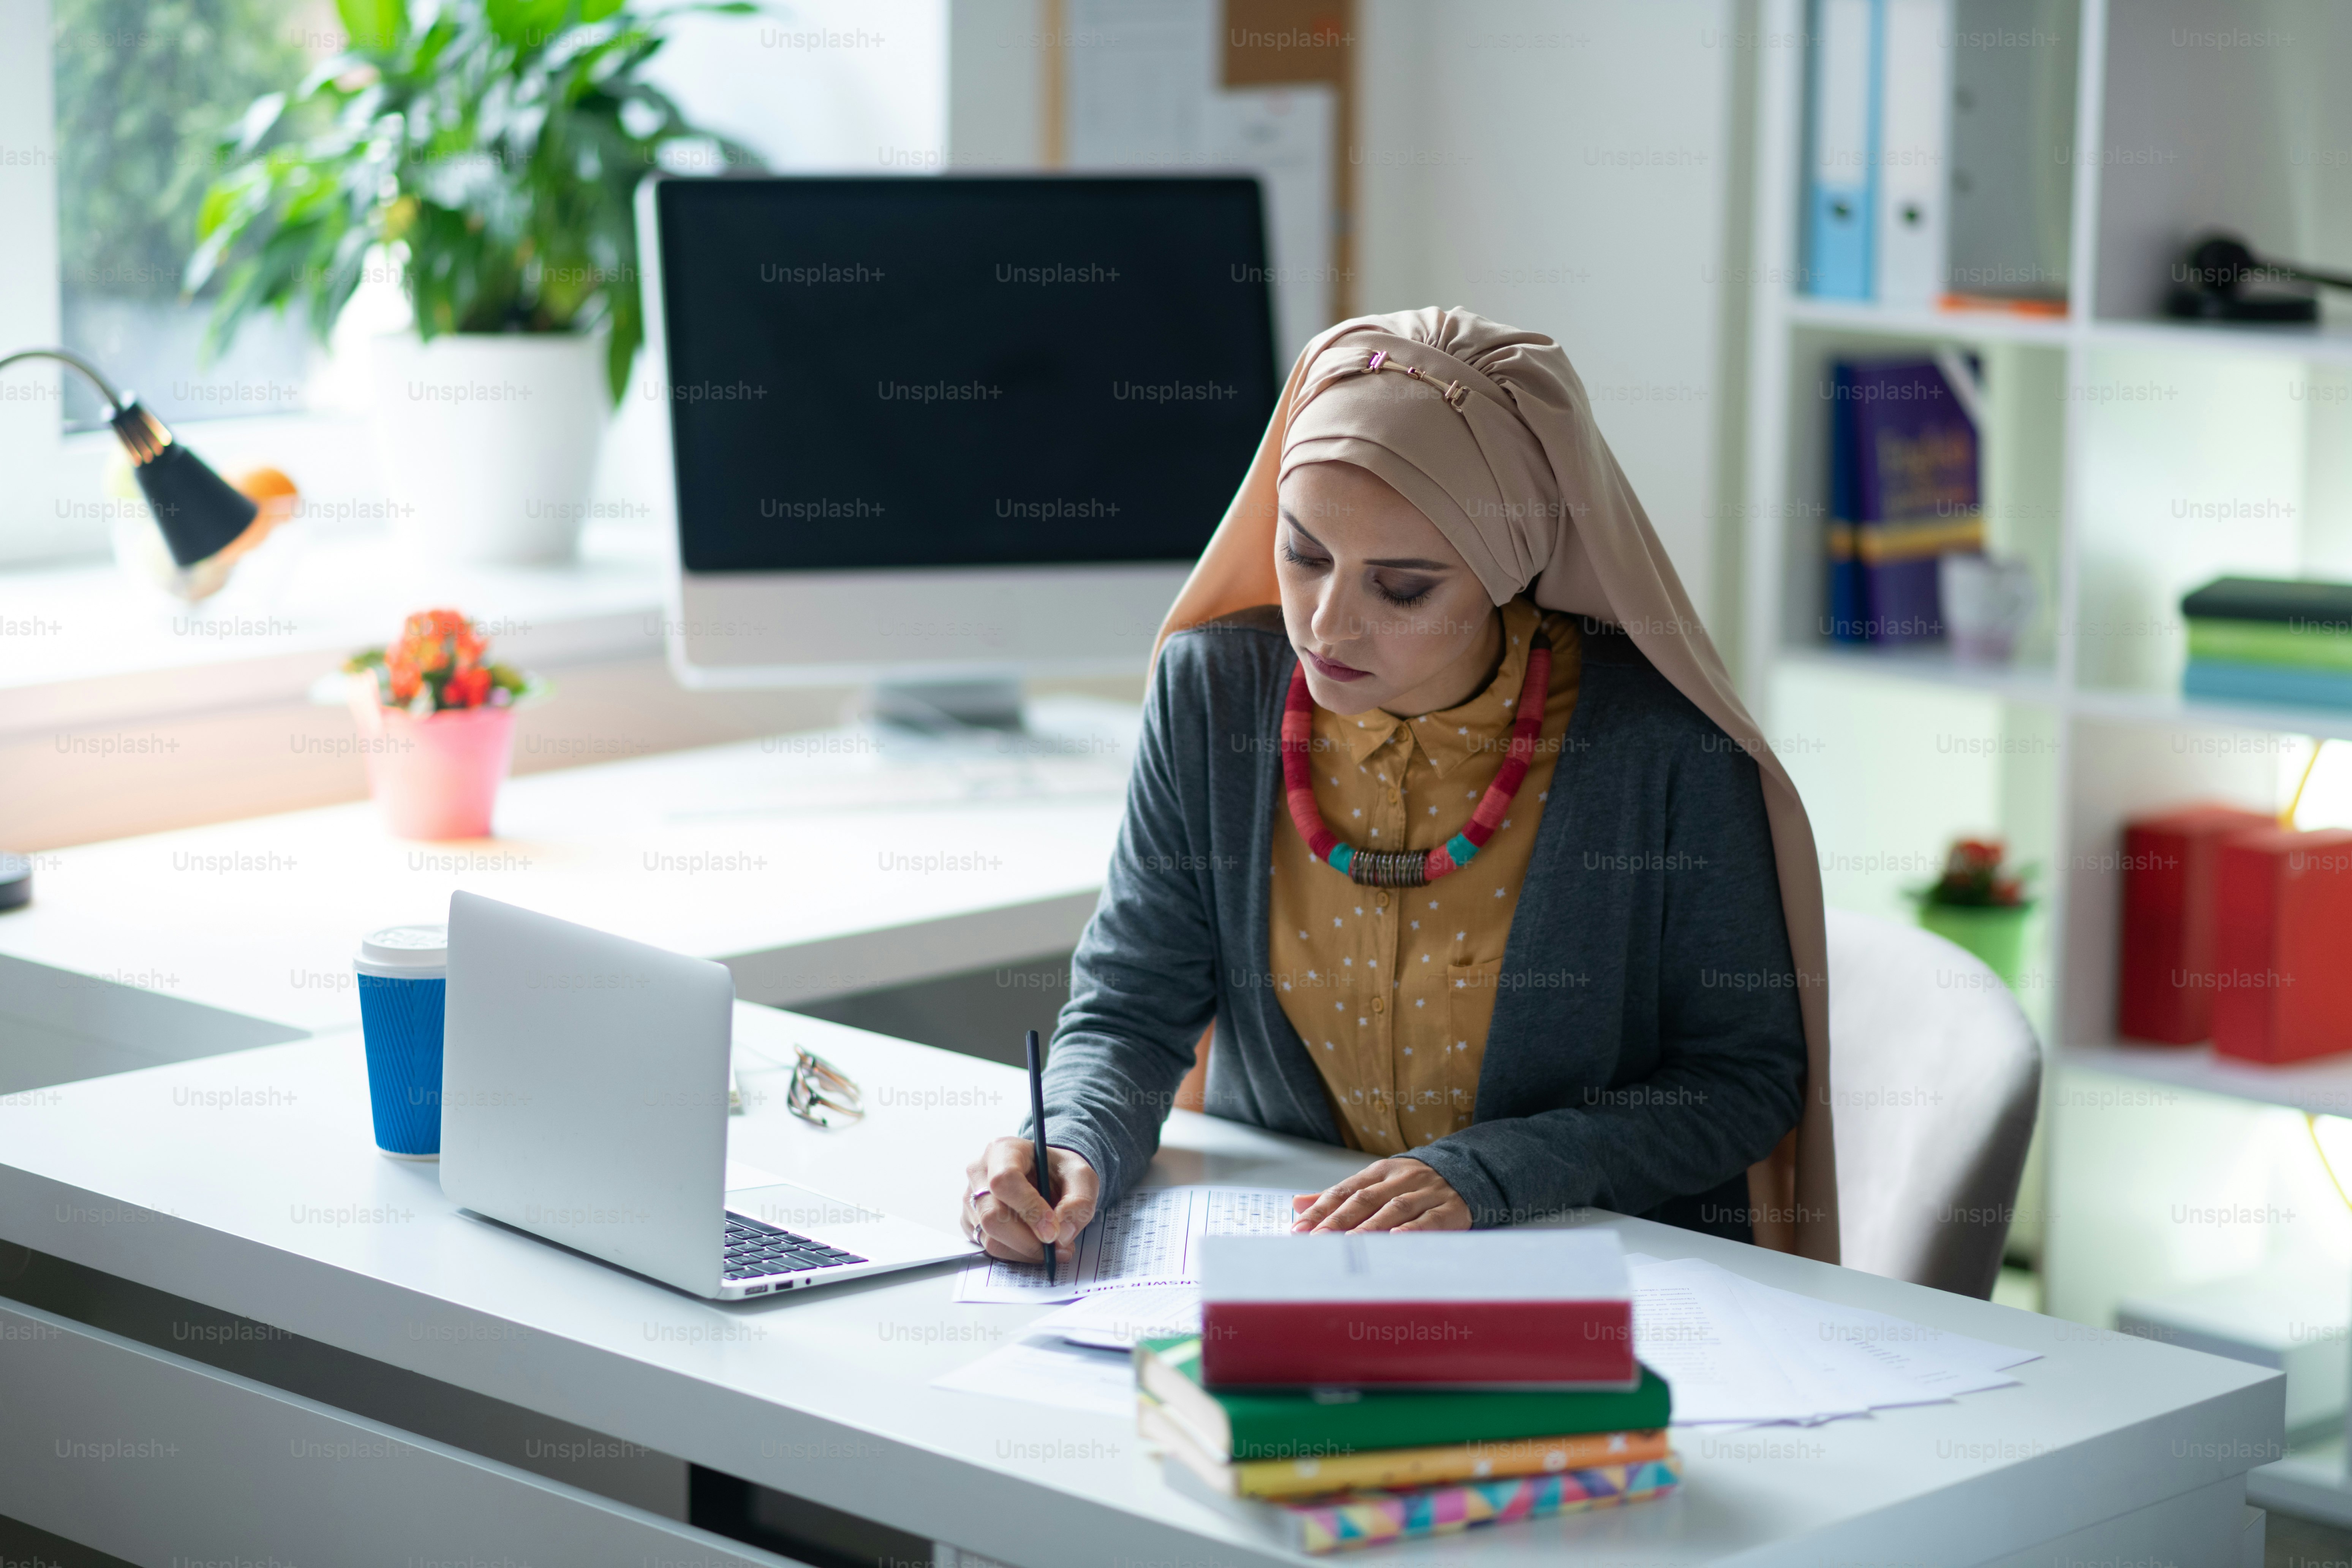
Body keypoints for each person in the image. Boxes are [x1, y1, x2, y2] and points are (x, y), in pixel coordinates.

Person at [961, 309, 1837, 1270]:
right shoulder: (1214, 692)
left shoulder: (1658, 746)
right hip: (1284, 1259)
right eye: (1303, 555)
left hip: (1585, 1275)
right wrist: (1071, 1140)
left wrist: (1496, 1173)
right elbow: (1133, 1006)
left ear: (1507, 572)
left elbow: (1743, 1079)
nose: (1328, 626)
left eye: (1404, 589)